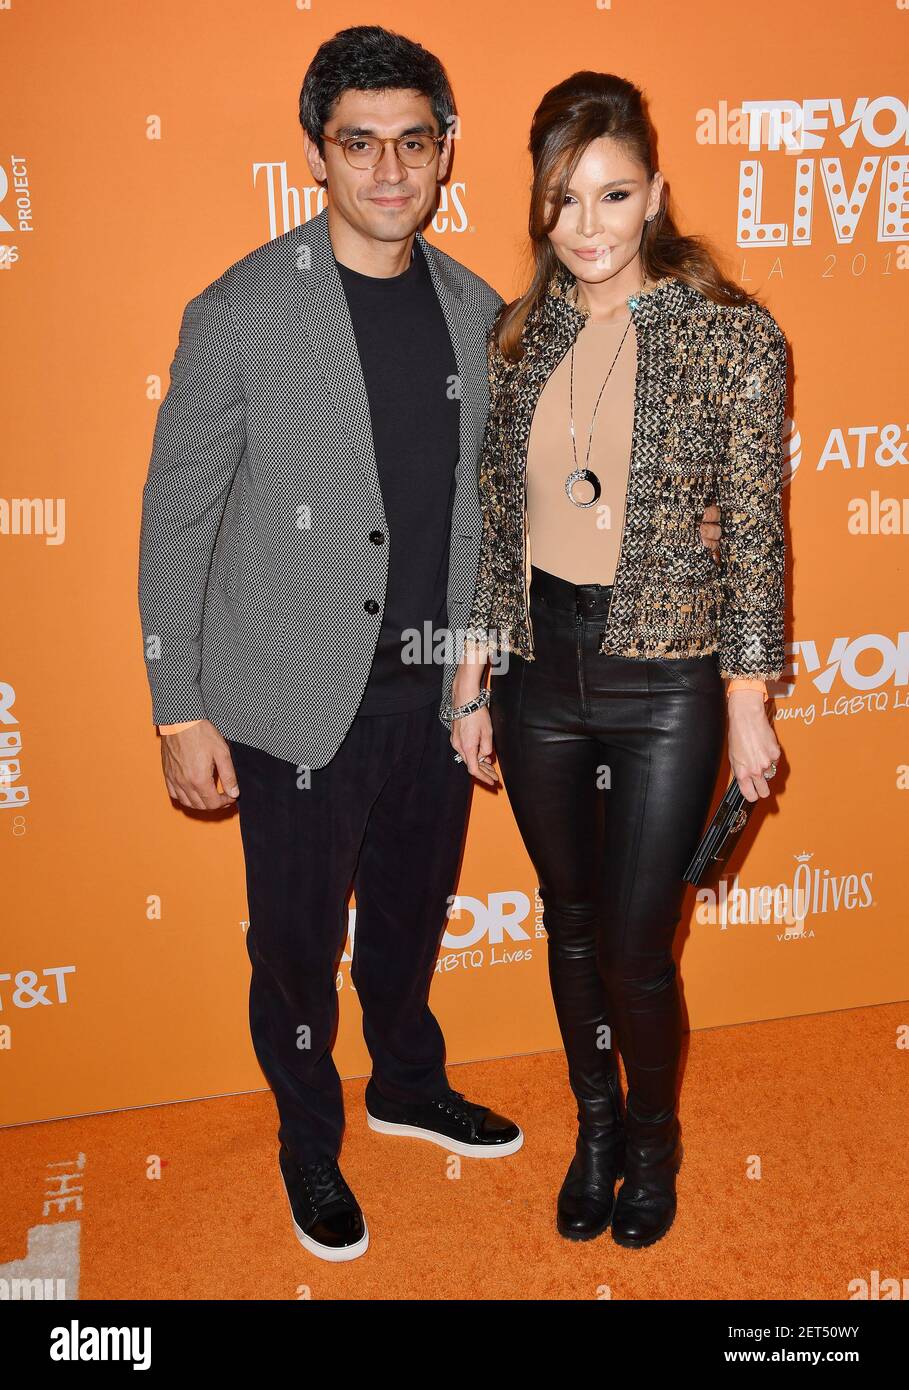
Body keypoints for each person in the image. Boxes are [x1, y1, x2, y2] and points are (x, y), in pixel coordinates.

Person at [138, 26, 724, 1263]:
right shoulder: (239, 309)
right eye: (360, 142)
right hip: (292, 693)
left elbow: (485, 516)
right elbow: (176, 513)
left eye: (414, 140)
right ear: (317, 156)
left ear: (446, 153)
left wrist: (469, 673)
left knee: (409, 918)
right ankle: (311, 1140)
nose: (390, 168)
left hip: (439, 693)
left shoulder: (484, 314)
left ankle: (406, 1081)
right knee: (297, 949)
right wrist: (177, 704)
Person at [450, 71, 787, 1250]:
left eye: (613, 195)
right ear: (539, 208)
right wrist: (471, 675)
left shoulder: (732, 338)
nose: (586, 227)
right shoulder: (520, 336)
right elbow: (497, 522)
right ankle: (595, 1128)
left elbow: (751, 526)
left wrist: (749, 699)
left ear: (655, 195)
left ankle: (653, 1141)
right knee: (572, 922)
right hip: (544, 669)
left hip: (670, 676)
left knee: (639, 944)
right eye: (562, 201)